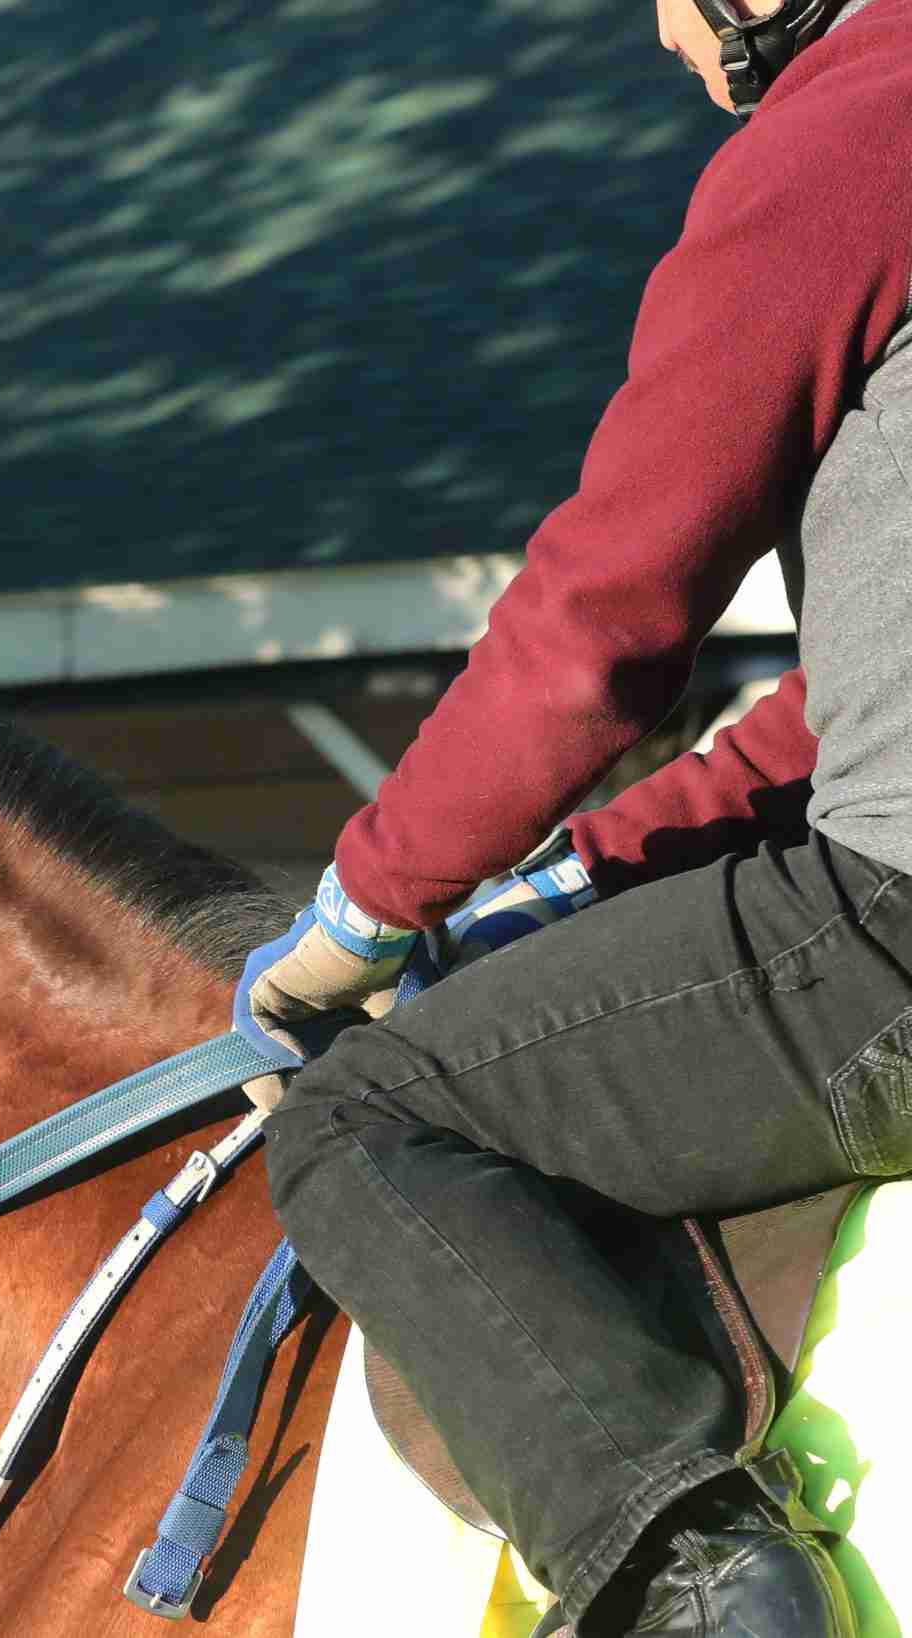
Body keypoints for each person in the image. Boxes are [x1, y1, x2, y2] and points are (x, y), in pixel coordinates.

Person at [233, 1, 912, 1633]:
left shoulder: (838, 148)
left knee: (360, 1120)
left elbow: (603, 621)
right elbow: (839, 705)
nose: (666, 36)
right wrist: (586, 867)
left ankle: (709, 1581)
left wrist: (366, 907)